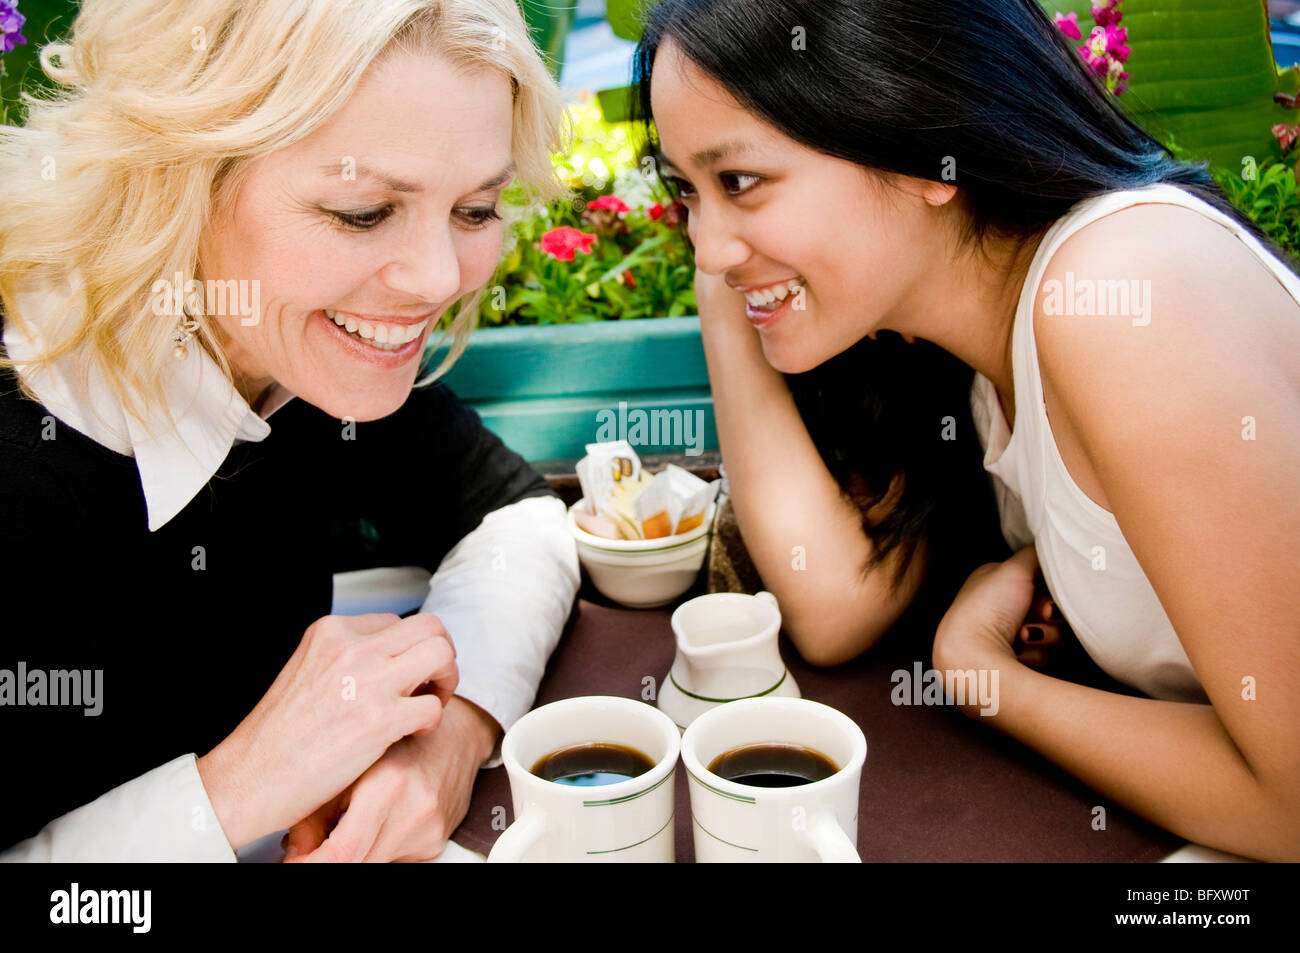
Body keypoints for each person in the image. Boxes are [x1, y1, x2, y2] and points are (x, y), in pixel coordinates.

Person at [633, 0, 1300, 860]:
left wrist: (985, 678)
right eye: (685, 190)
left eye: (741, 181)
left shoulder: (1119, 291)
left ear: (921, 147)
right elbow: (834, 604)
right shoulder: (951, 337)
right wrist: (734, 289)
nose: (706, 245)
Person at [0, 0, 579, 861]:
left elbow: (512, 513)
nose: (435, 277)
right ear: (173, 174)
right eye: (361, 212)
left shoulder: (297, 346)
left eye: (476, 207)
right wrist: (236, 788)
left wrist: (447, 743)